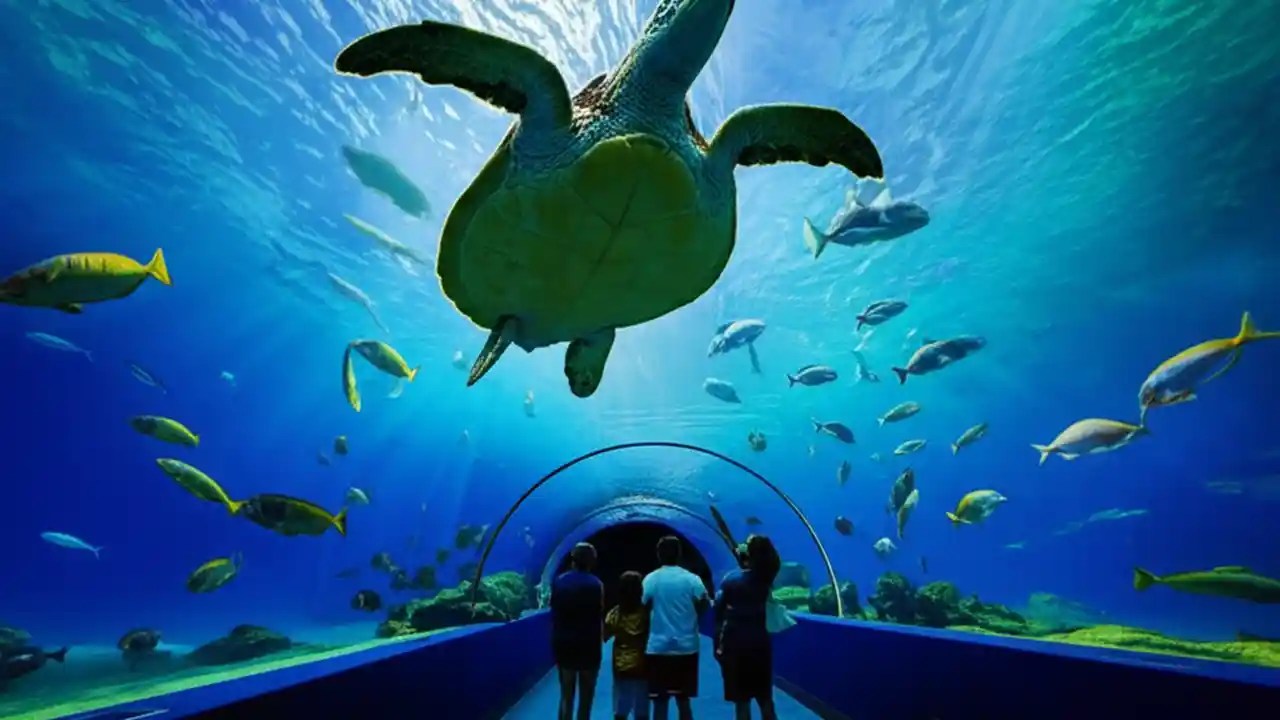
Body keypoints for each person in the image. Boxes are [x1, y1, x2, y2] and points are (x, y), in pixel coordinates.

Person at [713, 535, 782, 720]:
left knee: (742, 701)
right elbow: (772, 560)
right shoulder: (765, 578)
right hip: (760, 643)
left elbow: (718, 612)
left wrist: (717, 646)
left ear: (748, 554)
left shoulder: (731, 580)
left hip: (736, 644)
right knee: (765, 698)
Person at [642, 535, 710, 720]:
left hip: (658, 647)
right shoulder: (692, 579)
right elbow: (704, 604)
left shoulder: (651, 579)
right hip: (687, 646)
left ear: (659, 554)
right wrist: (692, 618)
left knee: (659, 701)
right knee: (683, 699)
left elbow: (642, 605)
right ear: (679, 554)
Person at [551, 542, 605, 720]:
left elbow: (554, 611)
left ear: (572, 559)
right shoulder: (596, 584)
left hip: (564, 643)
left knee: (566, 695)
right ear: (592, 561)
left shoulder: (559, 582)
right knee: (586, 696)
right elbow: (598, 614)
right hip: (589, 644)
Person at [604, 571, 650, 720]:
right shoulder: (647, 613)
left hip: (621, 664)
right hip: (643, 663)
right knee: (642, 707)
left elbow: (605, 635)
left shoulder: (614, 614)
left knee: (621, 706)